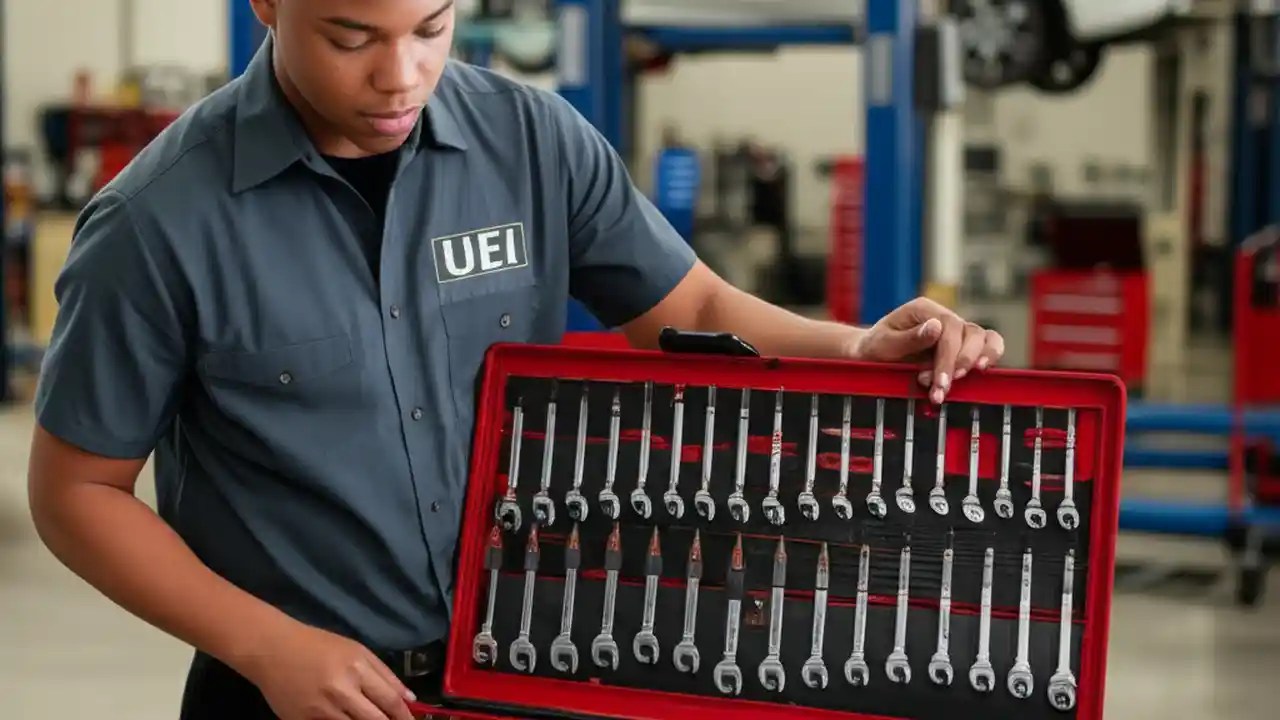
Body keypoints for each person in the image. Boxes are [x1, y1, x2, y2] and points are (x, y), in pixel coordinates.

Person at [26, 1, 1005, 719]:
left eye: (432, 26)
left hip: (536, 667)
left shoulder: (530, 142)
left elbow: (690, 306)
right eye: (351, 37)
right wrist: (267, 647)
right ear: (267, 7)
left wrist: (857, 347)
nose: (401, 75)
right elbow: (79, 493)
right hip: (292, 693)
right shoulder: (155, 224)